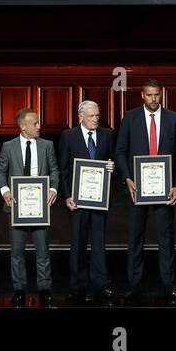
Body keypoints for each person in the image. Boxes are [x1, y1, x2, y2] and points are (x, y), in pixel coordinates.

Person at [114, 78, 176, 302]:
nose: (154, 99)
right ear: (142, 96)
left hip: (165, 188)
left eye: (157, 95)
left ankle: (169, 284)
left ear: (161, 94)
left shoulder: (174, 119)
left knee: (166, 238)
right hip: (138, 189)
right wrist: (127, 178)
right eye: (150, 95)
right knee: (135, 237)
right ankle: (134, 284)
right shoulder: (130, 117)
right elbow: (120, 151)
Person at [0, 108, 58, 307]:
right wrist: (5, 191)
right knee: (17, 252)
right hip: (15, 206)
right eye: (35, 123)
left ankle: (44, 289)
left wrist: (54, 189)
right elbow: (0, 171)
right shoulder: (8, 146)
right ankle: (19, 290)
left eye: (39, 123)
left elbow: (54, 170)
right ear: (23, 126)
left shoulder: (47, 145)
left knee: (42, 251)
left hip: (40, 206)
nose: (39, 127)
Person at [57, 99, 115, 306]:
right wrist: (66, 196)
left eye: (98, 116)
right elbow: (63, 169)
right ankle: (78, 286)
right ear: (80, 116)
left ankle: (101, 283)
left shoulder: (107, 135)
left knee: (99, 243)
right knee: (78, 243)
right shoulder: (68, 136)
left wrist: (111, 166)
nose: (96, 120)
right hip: (78, 201)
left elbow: (111, 161)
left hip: (99, 199)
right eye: (91, 116)